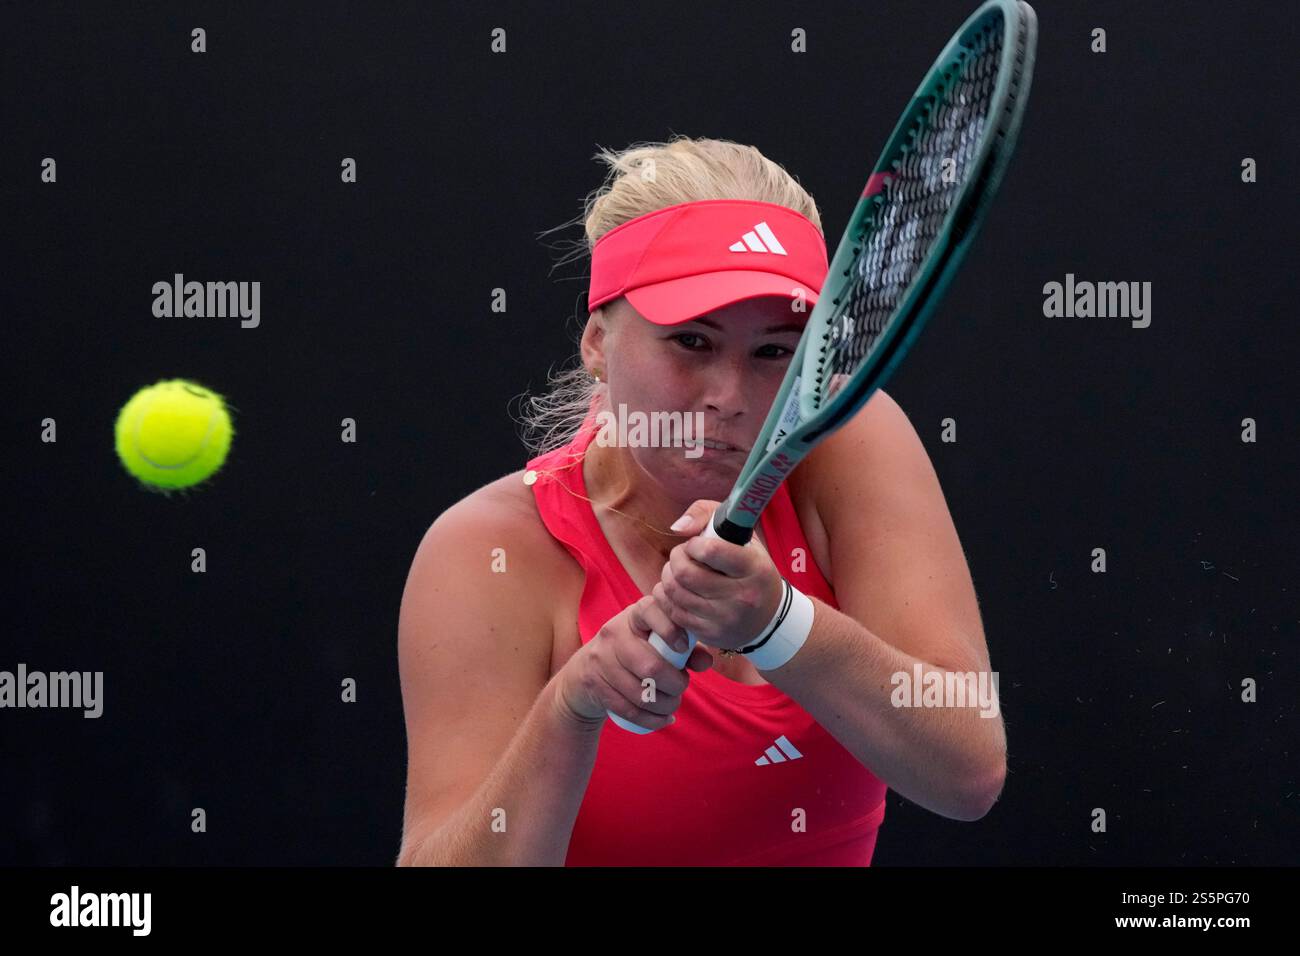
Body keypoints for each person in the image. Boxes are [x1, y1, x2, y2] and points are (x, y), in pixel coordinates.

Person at [396, 135, 1005, 866]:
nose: (729, 399)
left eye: (775, 351)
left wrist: (779, 624)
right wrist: (573, 704)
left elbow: (970, 770)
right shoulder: (485, 553)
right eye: (691, 341)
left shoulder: (851, 441)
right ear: (596, 340)